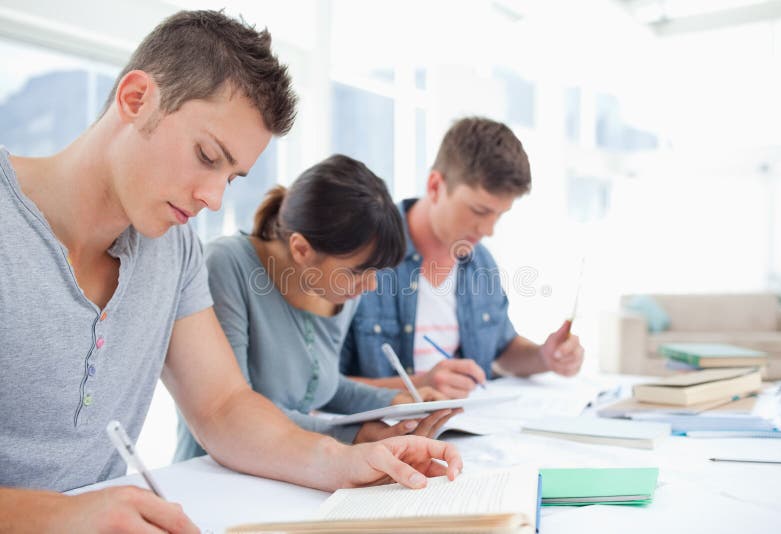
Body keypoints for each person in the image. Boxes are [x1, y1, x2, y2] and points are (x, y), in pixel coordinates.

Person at [0, 11, 460, 533]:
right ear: (135, 99)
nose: (214, 199)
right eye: (206, 155)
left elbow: (222, 406)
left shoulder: (173, 251)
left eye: (232, 175)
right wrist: (61, 515)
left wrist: (345, 462)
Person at [175, 155, 456, 461]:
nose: (371, 286)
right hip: (212, 476)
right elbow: (237, 412)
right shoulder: (226, 266)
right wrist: (354, 435)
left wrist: (398, 402)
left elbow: (324, 387)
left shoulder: (338, 290)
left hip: (291, 473)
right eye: (358, 272)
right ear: (301, 249)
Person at [340, 117, 585, 399]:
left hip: (469, 432)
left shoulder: (480, 262)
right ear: (435, 186)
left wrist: (545, 357)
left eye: (499, 215)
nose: (488, 230)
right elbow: (322, 388)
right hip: (388, 437)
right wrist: (421, 385)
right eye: (479, 211)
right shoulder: (362, 254)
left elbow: (502, 349)